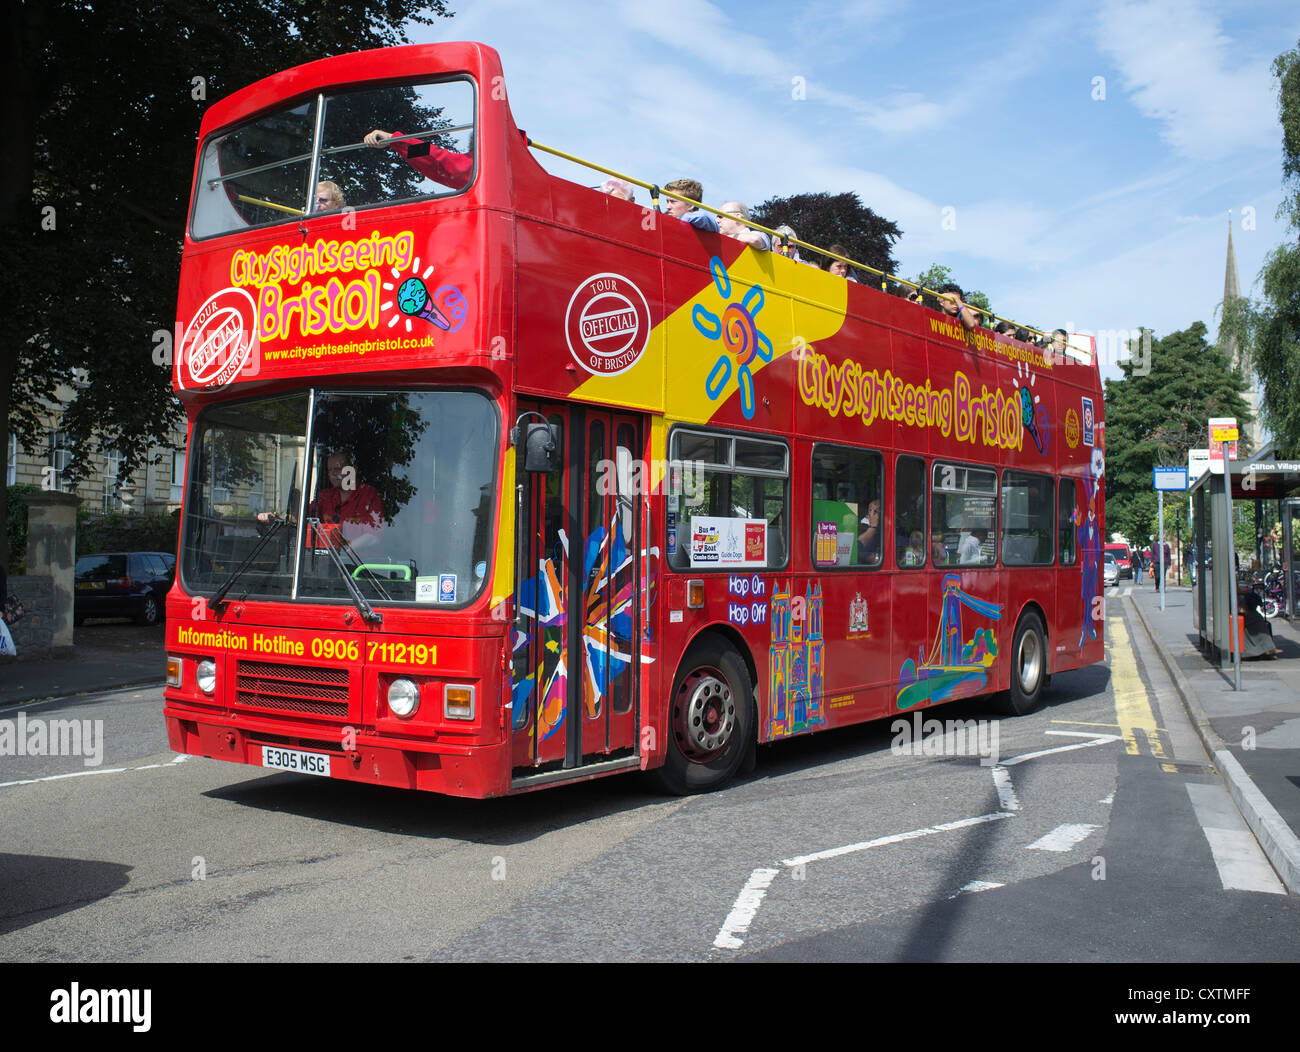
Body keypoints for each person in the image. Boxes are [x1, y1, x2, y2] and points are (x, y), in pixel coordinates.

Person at [363, 128, 473, 190]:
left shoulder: (478, 164)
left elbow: (434, 156)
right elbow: (434, 156)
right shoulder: (478, 164)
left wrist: (394, 139)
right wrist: (395, 140)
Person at [310, 450, 384, 530]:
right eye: (329, 470)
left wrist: (350, 543)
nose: (333, 473)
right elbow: (305, 517)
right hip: (326, 542)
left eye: (337, 469)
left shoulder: (369, 495)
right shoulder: (325, 496)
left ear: (353, 470)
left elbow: (373, 535)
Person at [857, 498, 882, 563]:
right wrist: (873, 526)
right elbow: (857, 549)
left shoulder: (887, 531)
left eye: (876, 511)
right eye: (870, 510)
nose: (871, 514)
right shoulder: (862, 527)